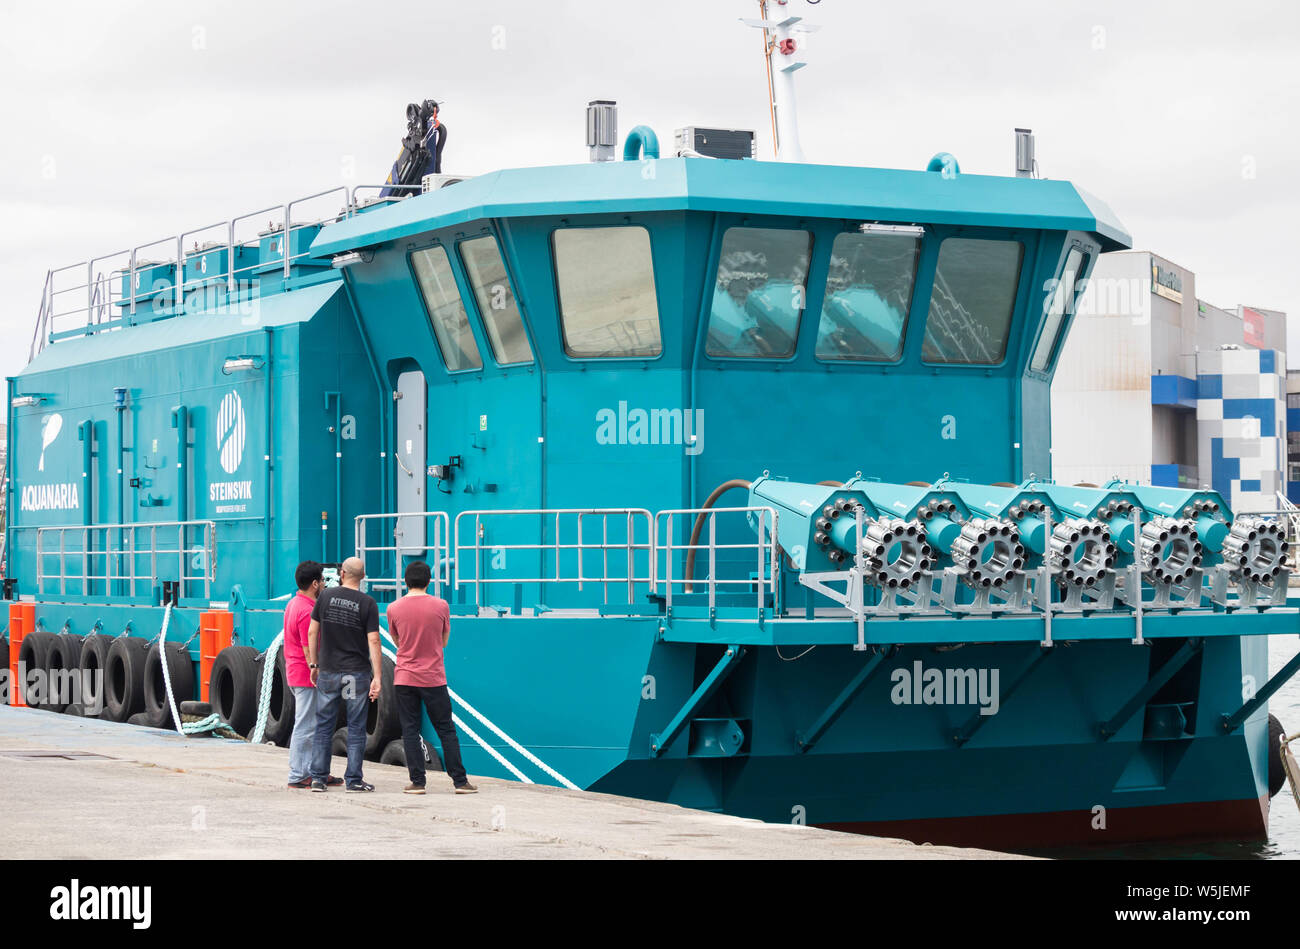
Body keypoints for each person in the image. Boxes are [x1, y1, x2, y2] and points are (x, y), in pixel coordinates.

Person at [387, 560, 476, 794]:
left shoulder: (393, 608)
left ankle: (417, 782)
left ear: (406, 581)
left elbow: (398, 642)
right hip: (433, 678)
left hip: (405, 677)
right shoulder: (441, 606)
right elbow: (444, 641)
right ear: (429, 581)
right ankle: (460, 781)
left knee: (410, 730)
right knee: (446, 728)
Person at [305, 557, 382, 793]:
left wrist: (314, 664)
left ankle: (318, 778)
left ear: (342, 573)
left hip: (328, 671)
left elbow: (312, 631)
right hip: (355, 675)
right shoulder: (368, 603)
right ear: (363, 576)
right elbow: (374, 640)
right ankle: (354, 780)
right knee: (356, 727)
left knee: (324, 725)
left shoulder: (325, 596)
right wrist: (377, 677)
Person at [283, 561, 342, 789]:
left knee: (313, 724)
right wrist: (315, 668)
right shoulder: (308, 610)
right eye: (323, 581)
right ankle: (298, 774)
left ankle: (315, 770)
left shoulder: (293, 604)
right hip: (306, 674)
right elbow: (309, 644)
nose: (325, 585)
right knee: (306, 725)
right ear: (315, 583)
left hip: (297, 671)